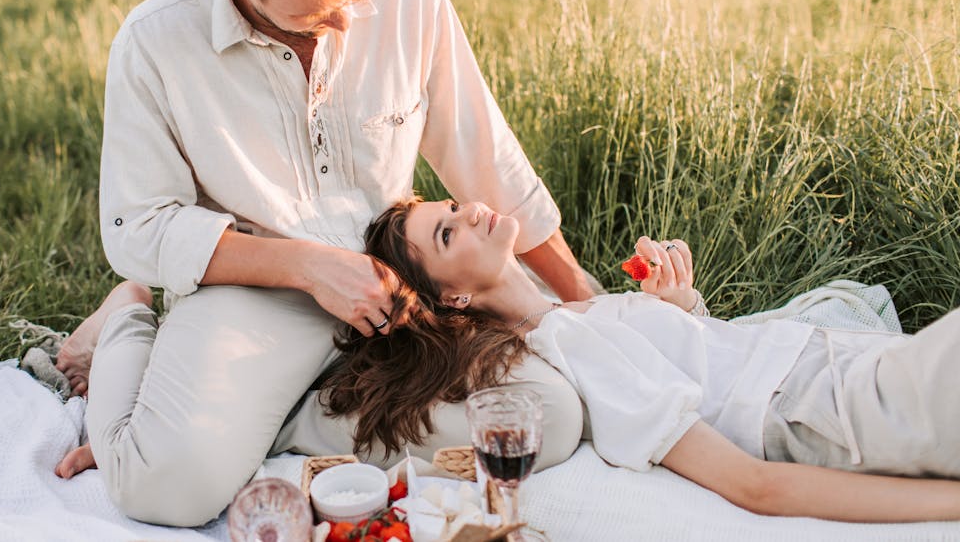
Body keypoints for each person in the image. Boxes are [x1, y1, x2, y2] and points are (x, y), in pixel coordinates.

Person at [52, 0, 597, 526]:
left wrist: (582, 300)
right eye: (316, 13)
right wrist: (308, 267)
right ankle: (124, 320)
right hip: (253, 292)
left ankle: (275, 420)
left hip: (400, 291)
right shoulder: (155, 42)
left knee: (543, 420)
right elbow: (139, 226)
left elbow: (487, 160)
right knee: (163, 489)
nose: (346, 21)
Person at [319, 196, 960, 522]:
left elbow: (704, 367)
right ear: (452, 298)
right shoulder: (563, 345)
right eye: (448, 232)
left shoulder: (572, 318)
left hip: (846, 371)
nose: (471, 210)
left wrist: (678, 309)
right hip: (835, 406)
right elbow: (752, 486)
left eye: (451, 206)